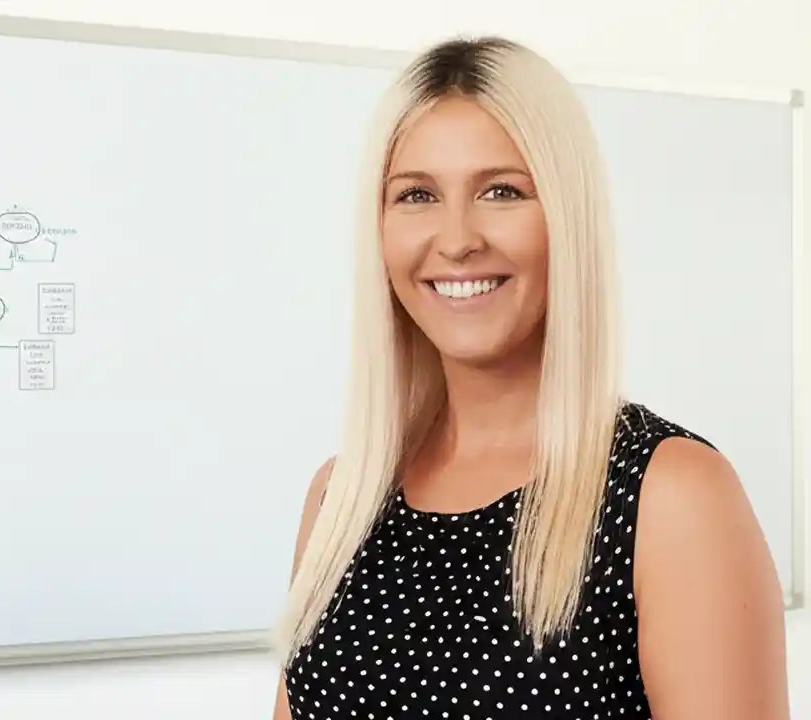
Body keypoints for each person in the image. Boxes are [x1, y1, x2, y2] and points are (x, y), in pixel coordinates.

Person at [269, 36, 790, 719]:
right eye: (417, 195)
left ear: (567, 220)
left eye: (502, 191)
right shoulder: (341, 496)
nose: (456, 239)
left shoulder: (671, 498)